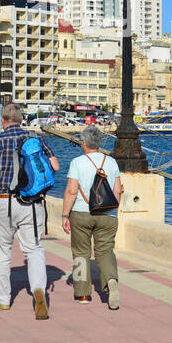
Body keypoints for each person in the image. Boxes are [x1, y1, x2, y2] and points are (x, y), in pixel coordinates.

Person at [0, 102, 58, 319]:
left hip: (3, 201)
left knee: (2, 251)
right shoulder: (35, 138)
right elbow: (55, 166)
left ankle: (3, 300)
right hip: (31, 202)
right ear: (21, 119)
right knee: (33, 249)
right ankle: (39, 291)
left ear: (3, 120)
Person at [60, 126, 124, 308]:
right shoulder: (112, 162)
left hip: (82, 213)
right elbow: (117, 190)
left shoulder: (77, 162)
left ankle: (82, 294)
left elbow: (71, 191)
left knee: (81, 253)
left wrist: (65, 215)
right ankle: (111, 280)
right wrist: (113, 213)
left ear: (84, 143)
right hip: (107, 214)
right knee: (105, 250)